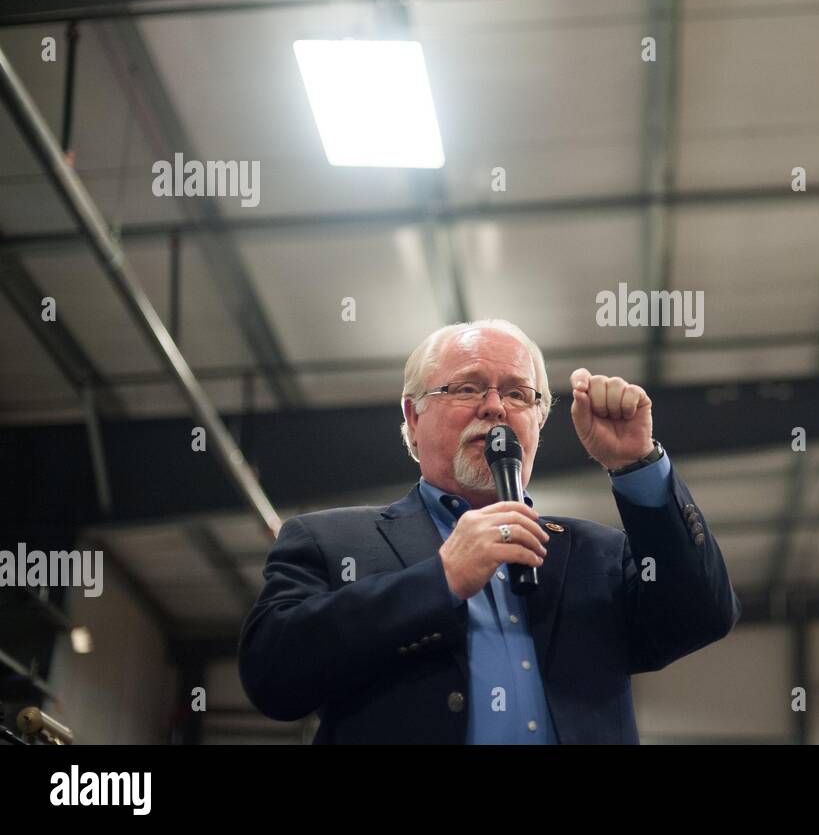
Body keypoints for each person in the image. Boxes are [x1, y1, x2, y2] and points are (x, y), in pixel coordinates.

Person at [238, 318, 741, 743]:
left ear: (539, 423)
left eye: (519, 394)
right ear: (413, 418)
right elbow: (273, 677)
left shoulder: (599, 555)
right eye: (468, 387)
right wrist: (439, 580)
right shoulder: (330, 542)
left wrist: (637, 466)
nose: (496, 406)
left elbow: (701, 616)